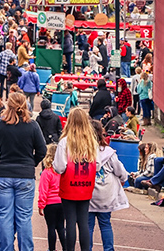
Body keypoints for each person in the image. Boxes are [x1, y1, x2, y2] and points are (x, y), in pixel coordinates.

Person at [0, 92, 46, 251]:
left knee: (4, 217)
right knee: (24, 218)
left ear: (8, 105)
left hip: (2, 174)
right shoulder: (32, 125)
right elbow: (42, 150)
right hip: (25, 175)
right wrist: (31, 163)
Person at [53, 108, 98, 251]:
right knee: (83, 221)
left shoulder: (65, 142)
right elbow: (98, 163)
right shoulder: (91, 142)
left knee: (70, 221)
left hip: (69, 185)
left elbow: (59, 167)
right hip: (86, 185)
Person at [88, 120, 129, 251]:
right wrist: (124, 178)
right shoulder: (109, 152)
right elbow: (120, 171)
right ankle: (108, 249)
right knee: (105, 224)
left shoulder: (84, 152)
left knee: (88, 226)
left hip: (88, 193)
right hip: (105, 194)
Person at [38, 144, 65, 251]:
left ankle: (52, 249)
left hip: (50, 203)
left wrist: (41, 204)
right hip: (62, 202)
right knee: (61, 227)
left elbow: (43, 190)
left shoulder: (46, 173)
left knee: (51, 228)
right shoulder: (63, 172)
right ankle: (66, 248)